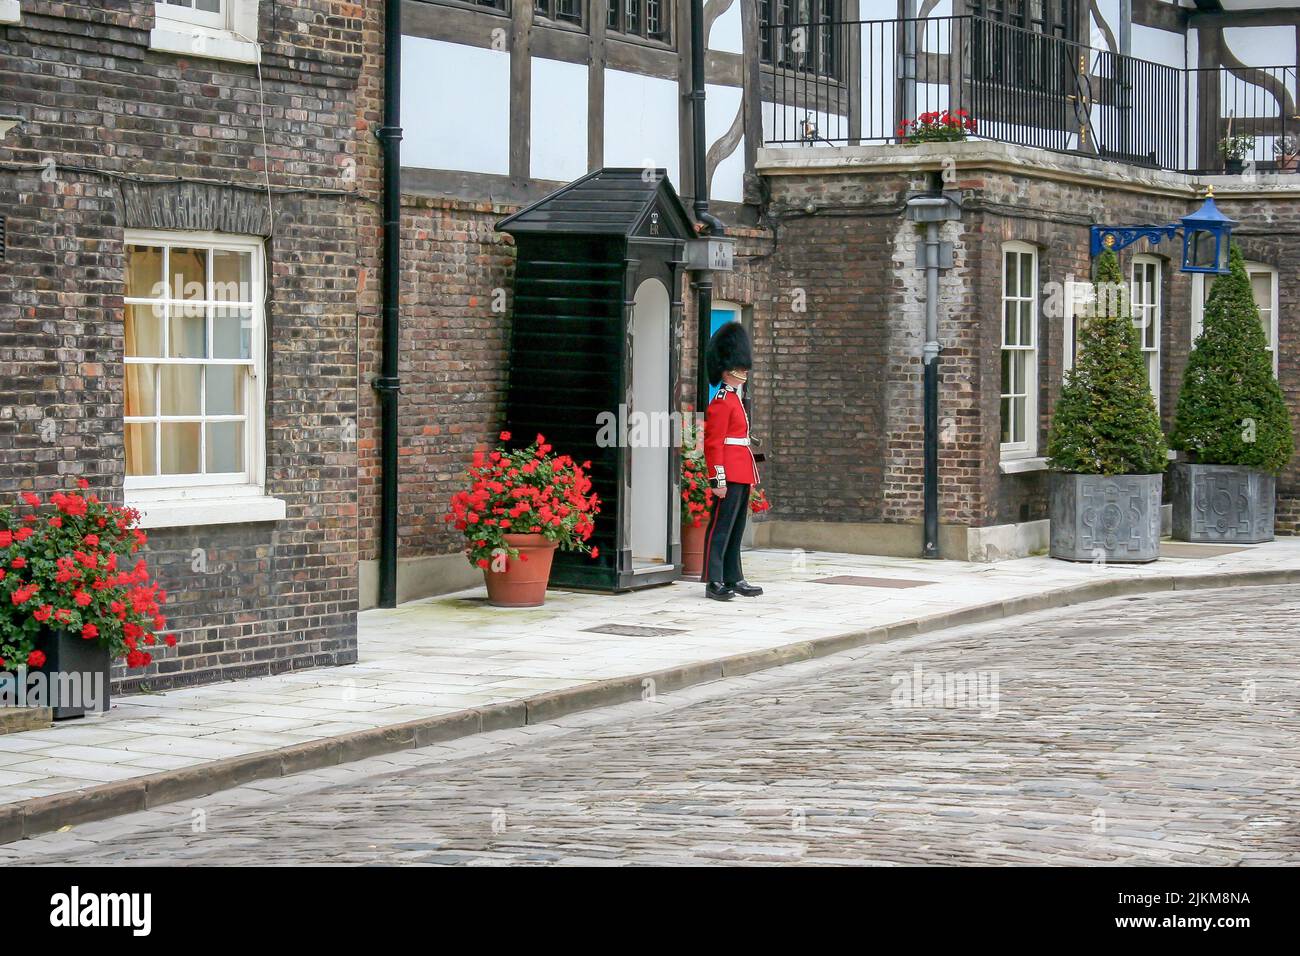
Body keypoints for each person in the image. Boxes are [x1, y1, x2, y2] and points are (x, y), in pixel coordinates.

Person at [701, 322, 763, 601]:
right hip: (729, 472)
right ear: (727, 369)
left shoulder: (736, 399)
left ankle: (733, 576)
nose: (744, 371)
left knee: (736, 528)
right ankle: (713, 579)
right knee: (721, 527)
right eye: (740, 366)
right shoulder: (721, 401)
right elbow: (713, 444)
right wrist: (718, 478)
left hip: (742, 469)